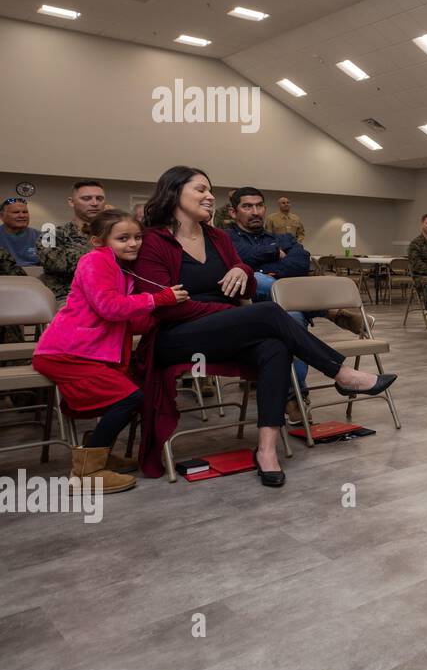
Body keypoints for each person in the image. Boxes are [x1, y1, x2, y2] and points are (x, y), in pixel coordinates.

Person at [131, 166, 395, 485]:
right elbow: (166, 306)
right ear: (173, 193)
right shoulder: (153, 242)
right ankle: (342, 373)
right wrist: (225, 309)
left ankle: (267, 449)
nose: (209, 195)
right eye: (200, 189)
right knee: (268, 313)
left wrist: (242, 270)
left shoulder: (216, 238)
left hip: (225, 328)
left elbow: (241, 283)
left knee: (275, 345)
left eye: (210, 189)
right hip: (176, 336)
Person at [31, 209, 181, 493]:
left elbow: (132, 319)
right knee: (129, 397)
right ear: (98, 242)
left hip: (90, 354)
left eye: (137, 237)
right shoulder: (95, 261)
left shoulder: (123, 268)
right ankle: (88, 468)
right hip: (65, 353)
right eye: (123, 238)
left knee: (136, 394)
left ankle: (97, 449)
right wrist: (157, 299)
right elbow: (109, 307)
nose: (133, 243)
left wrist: (163, 312)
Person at [225, 186, 367, 424]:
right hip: (247, 310)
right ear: (233, 212)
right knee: (256, 280)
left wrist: (267, 268)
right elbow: (241, 261)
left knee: (293, 316)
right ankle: (330, 313)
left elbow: (301, 264)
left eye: (259, 205)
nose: (255, 211)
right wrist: (273, 258)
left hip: (280, 309)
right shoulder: (226, 238)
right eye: (247, 206)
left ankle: (293, 398)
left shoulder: (283, 238)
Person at [38, 180, 105, 301]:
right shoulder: (51, 233)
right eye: (87, 198)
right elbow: (52, 261)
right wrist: (106, 257)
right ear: (71, 202)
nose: (95, 203)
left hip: (108, 296)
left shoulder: (111, 234)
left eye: (99, 198)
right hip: (69, 298)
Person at [0, 197, 39, 266]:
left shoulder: (41, 237)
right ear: (2, 216)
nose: (22, 215)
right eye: (16, 212)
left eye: (25, 212)